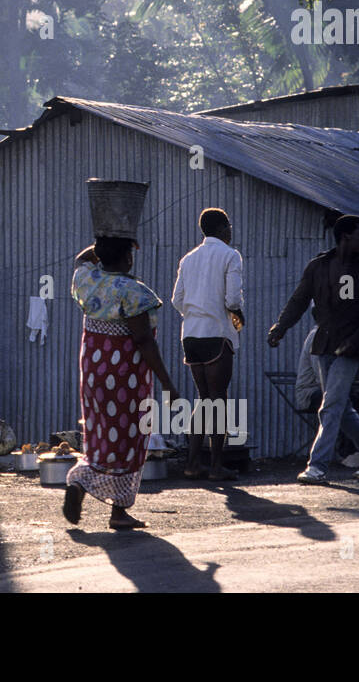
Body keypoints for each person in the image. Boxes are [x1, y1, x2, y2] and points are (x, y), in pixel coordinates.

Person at [63, 235, 181, 529]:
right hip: (125, 378)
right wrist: (167, 383)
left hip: (92, 374)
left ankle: (81, 482)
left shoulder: (88, 280)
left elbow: (82, 259)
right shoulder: (133, 292)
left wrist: (107, 240)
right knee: (129, 438)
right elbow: (143, 340)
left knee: (100, 432)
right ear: (128, 257)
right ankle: (116, 509)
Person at [269, 215, 359, 484]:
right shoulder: (318, 266)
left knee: (330, 404)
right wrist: (280, 327)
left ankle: (317, 466)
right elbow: (298, 300)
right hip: (323, 345)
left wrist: (355, 342)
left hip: (350, 348)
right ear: (346, 237)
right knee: (340, 407)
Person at [171, 207, 244, 481]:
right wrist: (237, 316)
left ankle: (192, 464)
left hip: (191, 335)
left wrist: (196, 312)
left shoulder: (188, 259)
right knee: (218, 401)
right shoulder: (230, 255)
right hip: (217, 333)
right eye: (230, 226)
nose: (231, 231)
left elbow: (177, 299)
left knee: (204, 400)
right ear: (223, 228)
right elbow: (233, 301)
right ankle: (215, 466)